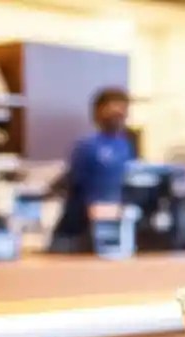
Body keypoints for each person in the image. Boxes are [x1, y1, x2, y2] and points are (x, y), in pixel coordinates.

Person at [49, 87, 134, 253]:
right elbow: (73, 182)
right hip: (78, 229)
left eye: (122, 110)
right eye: (112, 110)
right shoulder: (86, 146)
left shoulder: (126, 147)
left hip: (116, 225)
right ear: (97, 113)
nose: (118, 115)